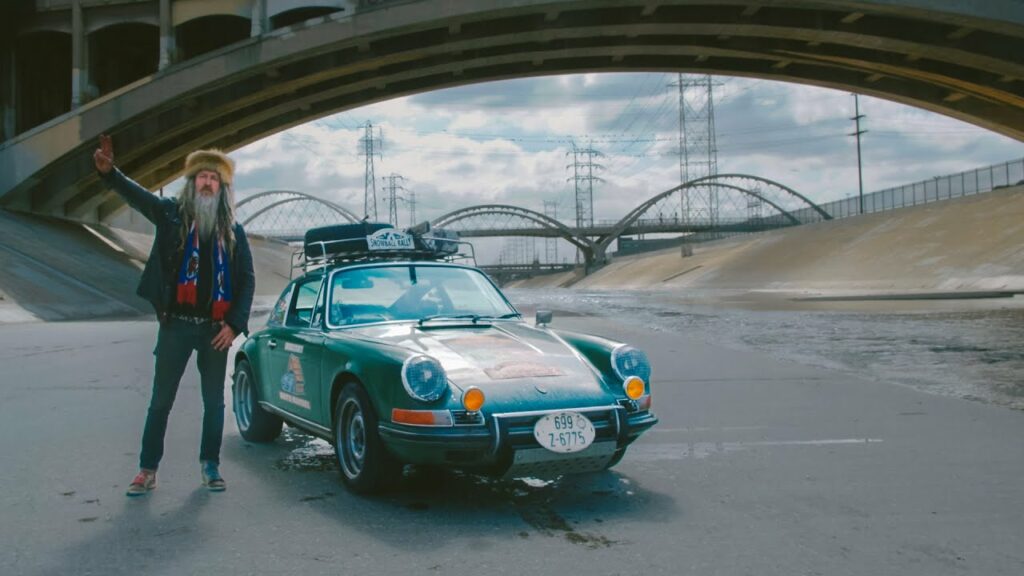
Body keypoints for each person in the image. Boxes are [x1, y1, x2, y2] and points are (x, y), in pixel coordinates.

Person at [93, 135, 255, 496]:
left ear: (222, 187)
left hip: (215, 330)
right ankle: (147, 470)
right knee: (160, 402)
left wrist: (234, 325)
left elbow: (246, 279)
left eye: (214, 178)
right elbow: (139, 197)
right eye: (202, 177)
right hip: (176, 327)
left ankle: (210, 466)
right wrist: (110, 174)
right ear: (192, 183)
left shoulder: (233, 232)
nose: (207, 183)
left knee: (214, 403)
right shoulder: (170, 215)